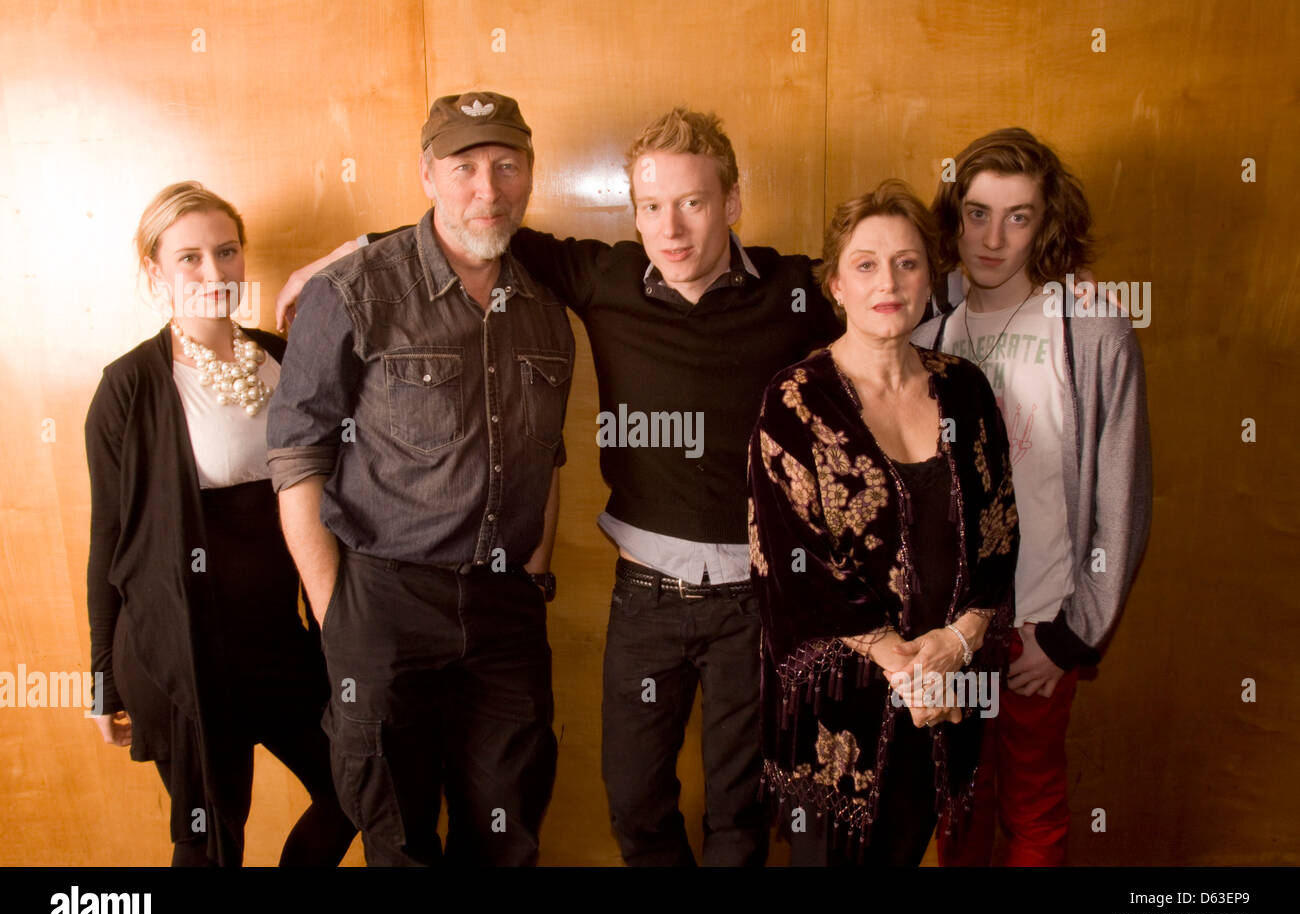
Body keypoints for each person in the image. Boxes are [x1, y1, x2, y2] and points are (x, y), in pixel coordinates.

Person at [277, 108, 844, 866]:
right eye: (651, 206)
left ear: (732, 202)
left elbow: (886, 288)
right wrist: (352, 252)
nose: (671, 228)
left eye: (694, 203)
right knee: (608, 806)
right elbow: (468, 231)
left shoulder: (792, 291)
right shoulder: (603, 277)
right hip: (582, 596)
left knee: (717, 811)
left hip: (727, 595)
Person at [267, 92, 573, 866]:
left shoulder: (544, 306)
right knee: (398, 834)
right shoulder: (354, 292)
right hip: (384, 602)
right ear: (427, 174)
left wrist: (534, 574)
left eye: (507, 165)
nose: (488, 187)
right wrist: (341, 616)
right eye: (464, 166)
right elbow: (298, 458)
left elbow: (549, 452)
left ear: (530, 175)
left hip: (507, 611)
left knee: (508, 828)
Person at [747, 180, 1020, 865]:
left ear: (932, 276)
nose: (888, 281)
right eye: (866, 264)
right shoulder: (795, 400)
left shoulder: (966, 388)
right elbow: (788, 567)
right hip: (838, 715)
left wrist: (959, 641)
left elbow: (998, 530)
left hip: (947, 697)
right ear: (835, 284)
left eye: (907, 262)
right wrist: (898, 663)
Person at [84, 181, 356, 866]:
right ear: (155, 272)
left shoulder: (285, 356)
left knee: (357, 787)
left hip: (279, 641)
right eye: (190, 258)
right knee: (210, 841)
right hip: (179, 651)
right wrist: (100, 684)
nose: (214, 273)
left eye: (227, 252)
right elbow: (107, 541)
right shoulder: (130, 387)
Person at [913, 128, 1152, 866]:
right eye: (977, 213)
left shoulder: (1093, 329)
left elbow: (1123, 497)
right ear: (953, 218)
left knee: (1034, 810)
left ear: (1047, 224)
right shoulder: (929, 333)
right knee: (956, 810)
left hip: (1041, 626)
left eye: (1018, 216)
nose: (993, 237)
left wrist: (1073, 635)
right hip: (955, 628)